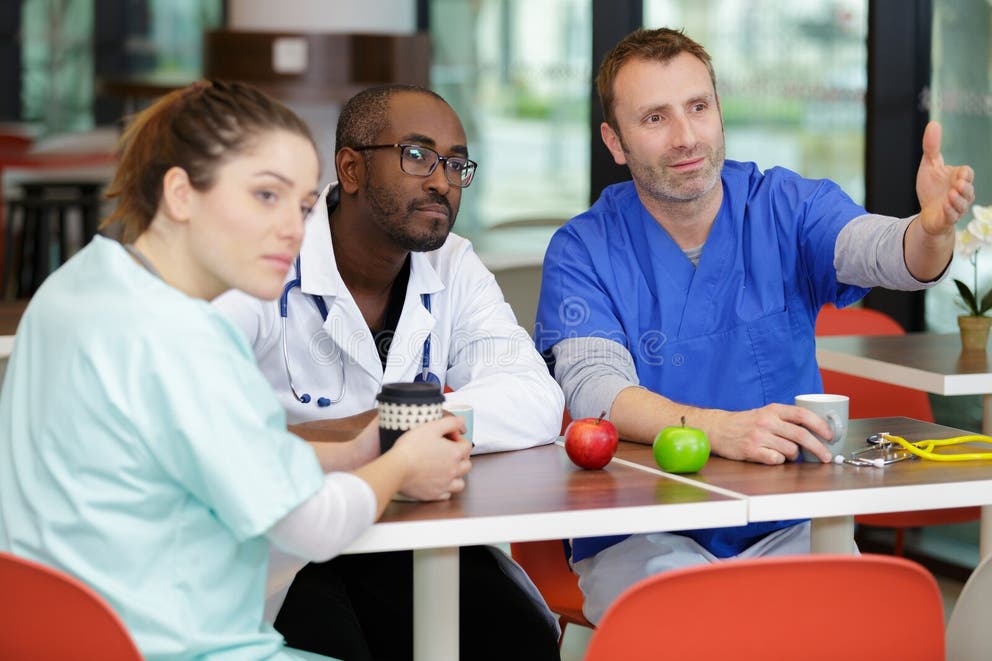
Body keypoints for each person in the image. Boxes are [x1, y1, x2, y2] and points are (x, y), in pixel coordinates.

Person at [0, 80, 472, 661]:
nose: (293, 229)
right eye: (265, 196)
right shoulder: (186, 335)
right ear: (180, 194)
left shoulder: (79, 285)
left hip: (57, 637)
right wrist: (401, 466)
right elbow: (313, 525)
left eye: (303, 206)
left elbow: (235, 462)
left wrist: (360, 449)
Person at [535, 27, 976, 624]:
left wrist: (930, 231)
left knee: (857, 624)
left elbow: (881, 252)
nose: (686, 136)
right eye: (655, 118)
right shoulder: (583, 249)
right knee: (692, 630)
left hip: (789, 517)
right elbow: (598, 392)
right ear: (615, 141)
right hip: (642, 530)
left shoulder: (784, 206)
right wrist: (721, 429)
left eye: (698, 107)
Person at [213, 84, 565, 660]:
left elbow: (534, 396)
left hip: (406, 531)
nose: (442, 181)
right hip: (283, 544)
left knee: (519, 635)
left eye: (455, 164)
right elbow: (213, 434)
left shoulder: (453, 264)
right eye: (417, 155)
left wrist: (396, 431)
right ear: (351, 168)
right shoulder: (266, 259)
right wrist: (389, 444)